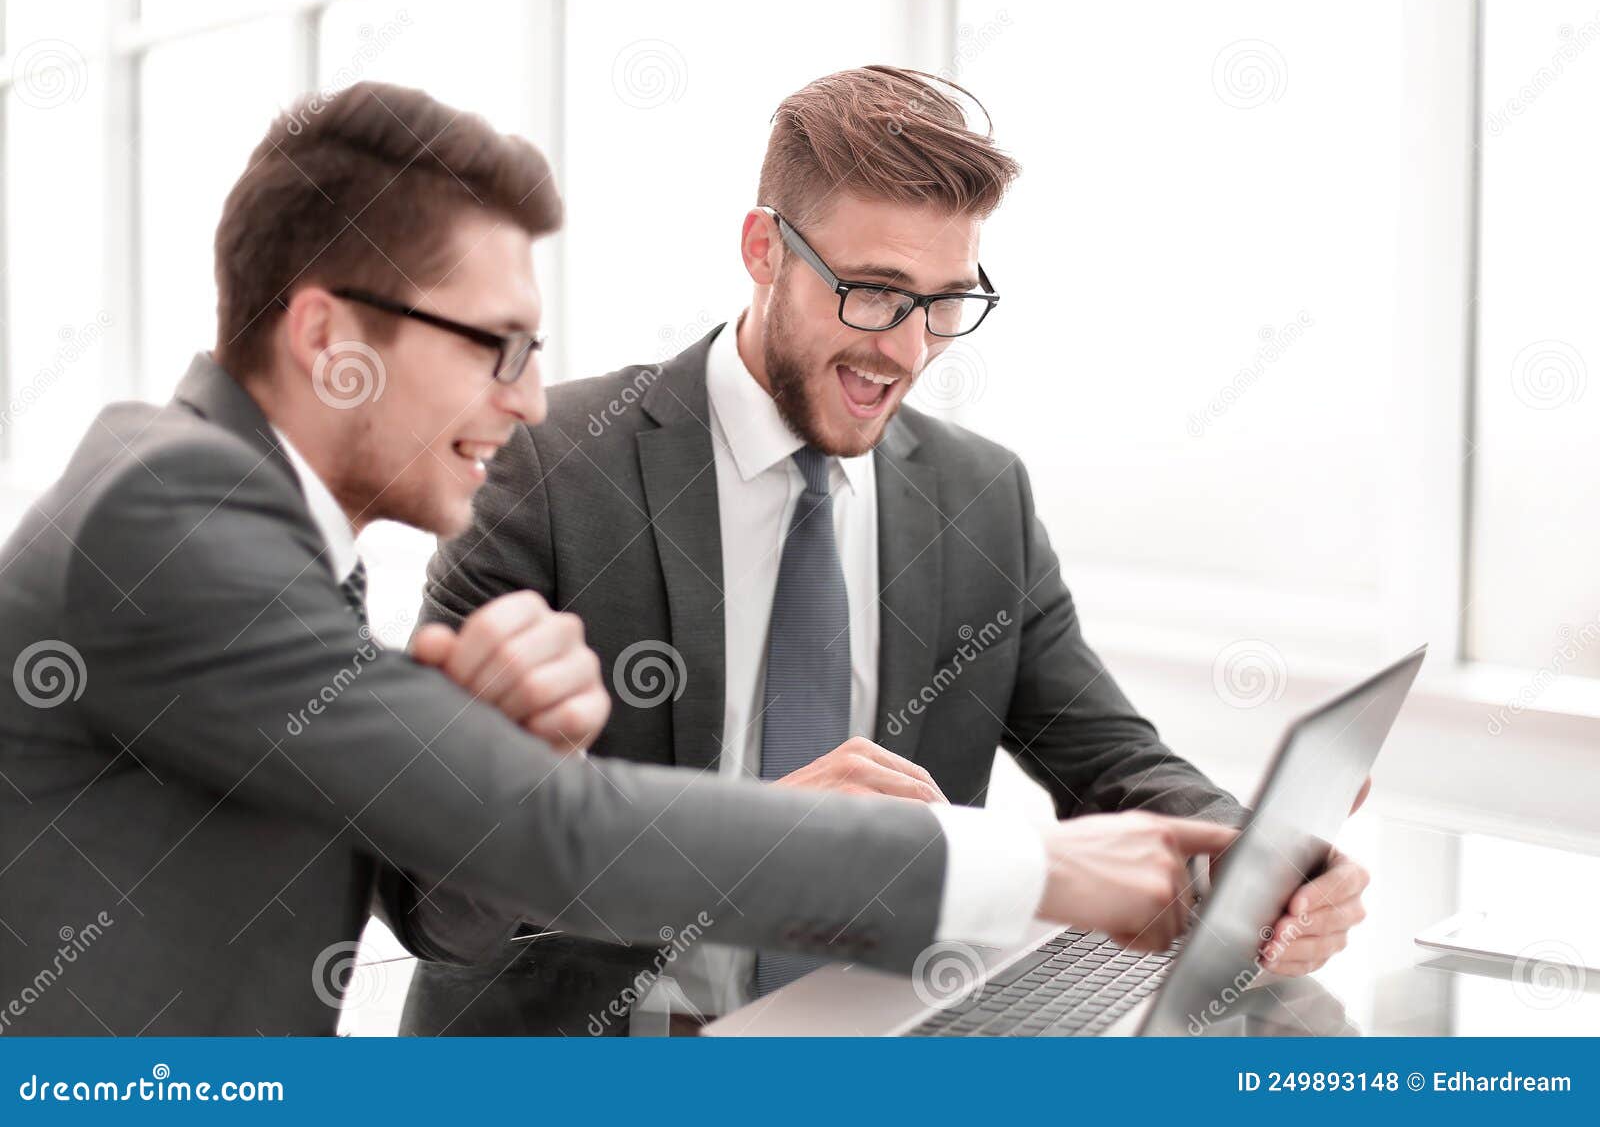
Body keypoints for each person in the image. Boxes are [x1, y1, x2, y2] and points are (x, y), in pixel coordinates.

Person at [0, 81, 1233, 1036]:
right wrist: (1034, 864)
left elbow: (452, 821)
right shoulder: (174, 513)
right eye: (494, 344)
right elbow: (553, 841)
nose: (530, 398)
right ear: (327, 335)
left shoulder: (248, 520)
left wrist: (467, 754)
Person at [400, 67, 1369, 1037]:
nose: (907, 351)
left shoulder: (979, 496)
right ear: (763, 249)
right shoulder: (545, 463)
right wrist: (757, 840)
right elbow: (435, 889)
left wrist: (1248, 861)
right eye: (874, 293)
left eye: (946, 302)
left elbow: (1108, 756)